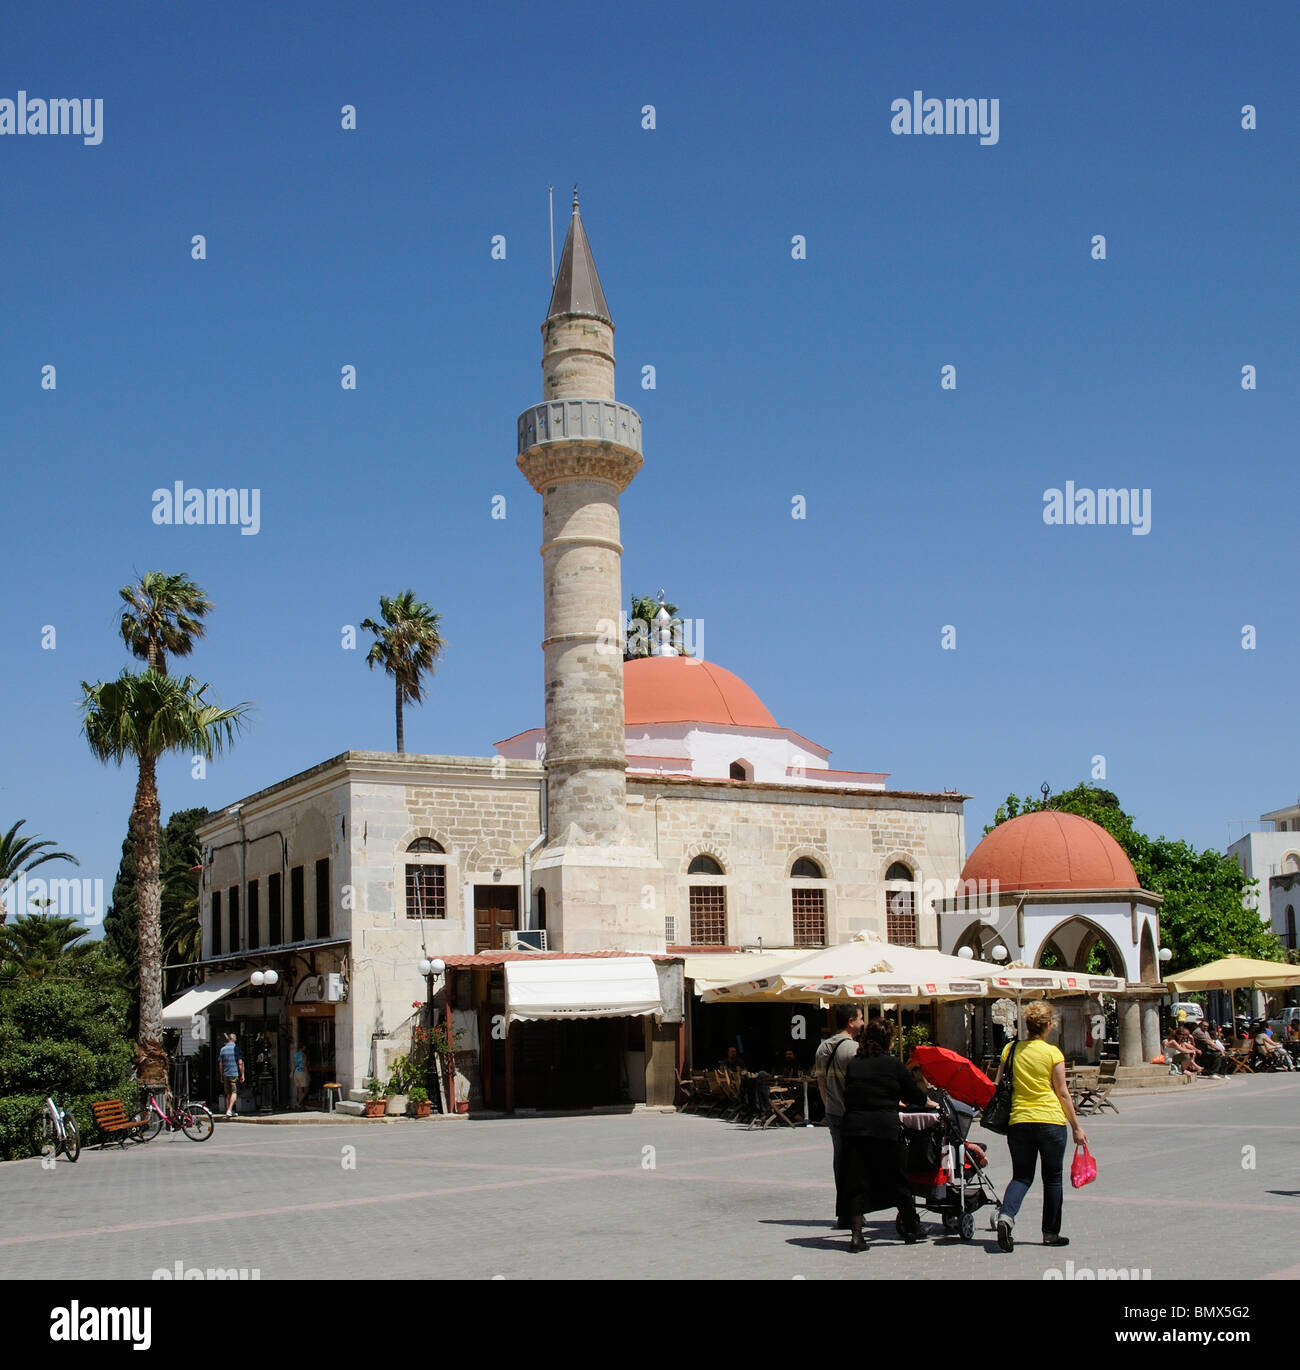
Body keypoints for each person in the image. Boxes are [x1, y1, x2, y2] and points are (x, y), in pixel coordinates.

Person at [992, 1000, 1087, 1252]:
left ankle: (1006, 1216)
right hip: (1050, 1121)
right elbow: (1063, 1093)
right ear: (1048, 1025)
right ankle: (1050, 1234)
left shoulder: (1010, 1049)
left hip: (1019, 1121)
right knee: (1052, 1179)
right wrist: (1076, 1126)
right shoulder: (1053, 1053)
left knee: (1022, 1176)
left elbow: (998, 1083)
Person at [836, 1018, 929, 1252]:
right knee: (899, 1178)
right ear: (887, 1040)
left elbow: (850, 1094)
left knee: (856, 1182)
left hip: (855, 1128)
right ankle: (911, 1228)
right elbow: (915, 1095)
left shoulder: (855, 1064)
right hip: (884, 1129)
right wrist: (928, 1101)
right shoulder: (893, 1065)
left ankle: (856, 1236)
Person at [815, 1004, 864, 1225]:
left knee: (840, 1161)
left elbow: (821, 1083)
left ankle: (844, 1211)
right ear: (851, 1022)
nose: (863, 1023)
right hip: (853, 1114)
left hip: (833, 1112)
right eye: (860, 1018)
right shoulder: (854, 1049)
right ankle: (855, 1212)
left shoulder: (823, 1048)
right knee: (857, 1163)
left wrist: (829, 1106)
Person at [218, 1033, 244, 1118]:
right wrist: (242, 1074)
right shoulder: (237, 1049)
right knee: (234, 1092)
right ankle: (229, 1110)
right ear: (234, 1040)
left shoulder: (223, 1049)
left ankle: (230, 1110)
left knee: (228, 1093)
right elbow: (240, 1063)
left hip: (226, 1073)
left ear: (228, 1039)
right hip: (234, 1073)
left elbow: (220, 1064)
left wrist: (221, 1075)